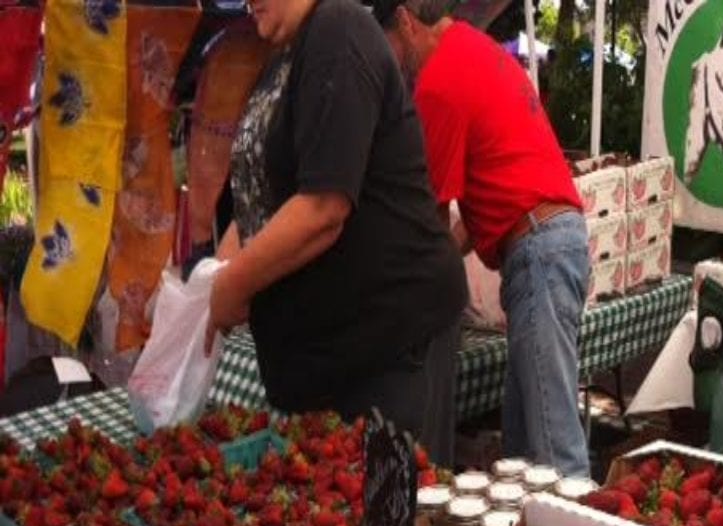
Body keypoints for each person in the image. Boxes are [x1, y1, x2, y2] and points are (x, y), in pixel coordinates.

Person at [206, 0, 467, 465]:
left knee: (393, 525)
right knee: (345, 518)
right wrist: (213, 275)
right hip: (325, 363)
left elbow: (324, 206)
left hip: (386, 346)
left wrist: (234, 282)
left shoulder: (339, 32)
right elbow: (259, 197)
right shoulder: (284, 57)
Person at [373, 0, 592, 478]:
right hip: (551, 241)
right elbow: (482, 199)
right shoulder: (474, 46)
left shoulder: (437, 84)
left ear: (406, 24)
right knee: (522, 451)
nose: (388, 64)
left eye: (386, 47)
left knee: (555, 448)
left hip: (538, 251)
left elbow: (425, 220)